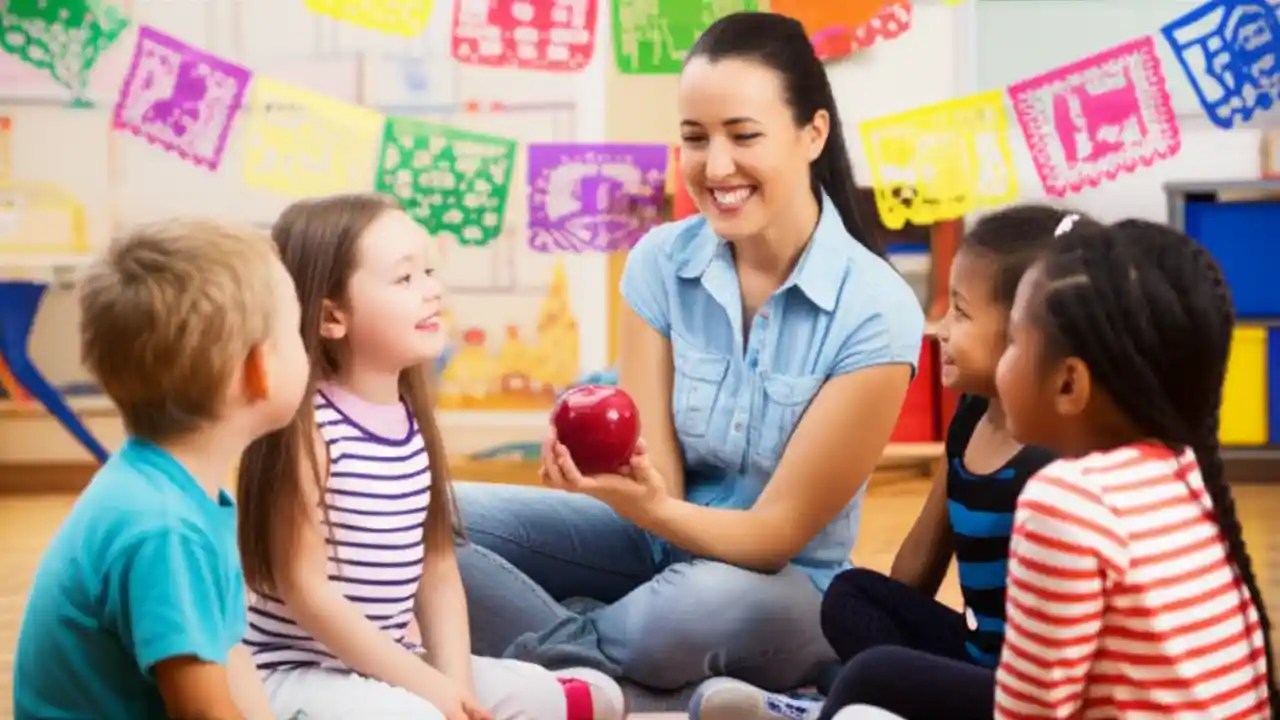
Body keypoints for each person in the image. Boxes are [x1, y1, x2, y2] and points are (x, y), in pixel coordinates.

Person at [454, 9, 925, 699]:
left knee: (705, 606)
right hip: (652, 546)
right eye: (694, 139)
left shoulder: (877, 310)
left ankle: (541, 673)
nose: (717, 166)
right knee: (435, 517)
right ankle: (640, 688)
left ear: (812, 132)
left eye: (744, 136)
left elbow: (775, 534)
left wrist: (648, 509)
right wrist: (623, 488)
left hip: (780, 587)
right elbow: (660, 485)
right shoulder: (659, 262)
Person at [235, 194, 625, 720]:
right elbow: (307, 593)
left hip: (394, 665)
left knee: (597, 696)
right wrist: (431, 692)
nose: (432, 289)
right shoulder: (308, 430)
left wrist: (457, 687)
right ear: (332, 316)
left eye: (429, 271)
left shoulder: (412, 421)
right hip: (296, 677)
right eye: (405, 279)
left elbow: (438, 568)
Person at [691, 206, 1084, 720]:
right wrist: (893, 637)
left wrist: (889, 668)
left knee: (874, 676)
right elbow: (922, 554)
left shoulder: (1054, 460)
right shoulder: (970, 419)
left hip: (1030, 696)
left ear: (1023, 333)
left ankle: (831, 707)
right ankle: (868, 697)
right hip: (979, 659)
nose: (941, 329)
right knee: (851, 595)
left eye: (961, 314)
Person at [13, 219, 304, 719]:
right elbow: (207, 713)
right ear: (259, 370)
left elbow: (228, 654)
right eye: (295, 333)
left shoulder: (174, 490)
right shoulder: (164, 528)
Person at [991, 219, 1274, 717]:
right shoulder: (1184, 471)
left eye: (1012, 340)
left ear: (1068, 384)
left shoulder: (1068, 501)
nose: (1002, 358)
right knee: (881, 674)